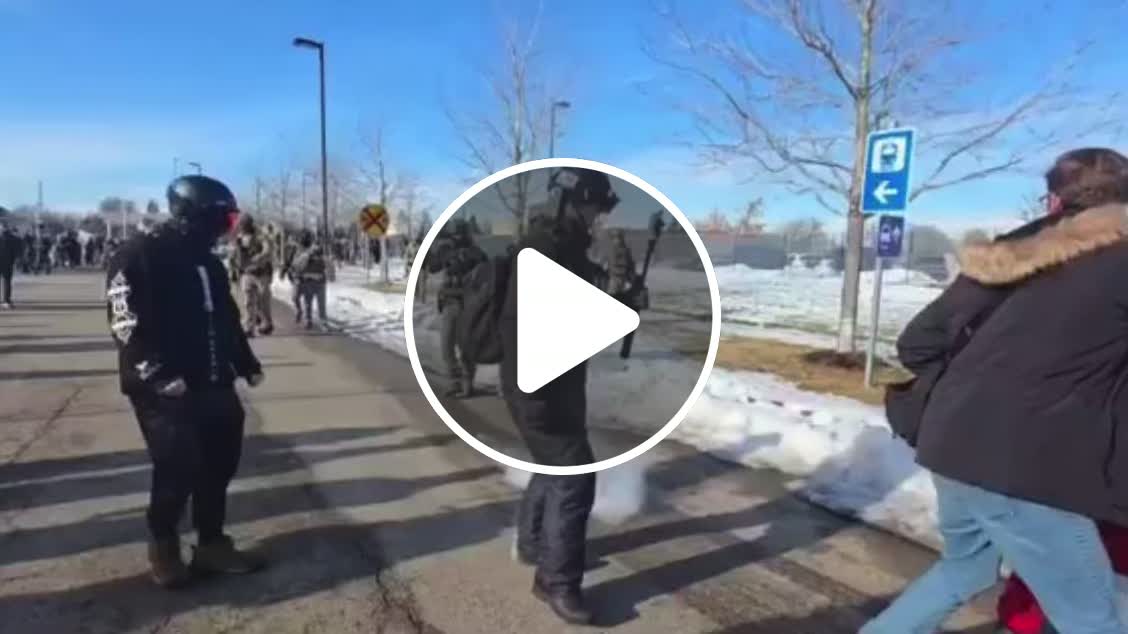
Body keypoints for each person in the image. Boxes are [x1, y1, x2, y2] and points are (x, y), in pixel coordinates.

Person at [862, 147, 1128, 634]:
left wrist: (979, 388)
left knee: (965, 570)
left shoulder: (1007, 255)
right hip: (1029, 465)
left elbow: (917, 343)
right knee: (1097, 617)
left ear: (1053, 202)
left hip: (951, 443)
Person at [105, 174, 266, 589]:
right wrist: (156, 372)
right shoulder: (140, 254)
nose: (228, 228)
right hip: (164, 388)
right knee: (177, 466)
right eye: (223, 219)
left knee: (219, 464)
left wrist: (244, 361)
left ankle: (211, 543)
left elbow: (226, 318)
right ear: (196, 215)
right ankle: (164, 544)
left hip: (214, 380)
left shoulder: (208, 263)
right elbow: (125, 321)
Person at [501, 167, 619, 625]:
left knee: (553, 467)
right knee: (575, 476)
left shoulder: (563, 248)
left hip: (555, 385)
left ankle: (535, 546)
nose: (599, 218)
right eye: (594, 207)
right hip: (540, 388)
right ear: (571, 203)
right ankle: (556, 581)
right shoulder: (544, 251)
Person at [427, 219, 487, 398]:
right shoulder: (447, 250)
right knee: (447, 345)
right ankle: (455, 381)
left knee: (466, 345)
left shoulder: (475, 253)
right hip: (450, 302)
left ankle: (467, 383)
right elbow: (432, 267)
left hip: (468, 303)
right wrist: (444, 254)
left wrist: (466, 258)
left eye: (459, 234)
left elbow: (484, 268)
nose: (457, 237)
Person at [230, 215, 275, 337]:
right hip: (246, 273)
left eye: (244, 224)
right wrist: (233, 269)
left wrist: (258, 258)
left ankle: (266, 324)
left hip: (261, 273)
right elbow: (234, 256)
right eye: (241, 224)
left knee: (262, 301)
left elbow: (268, 251)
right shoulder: (240, 238)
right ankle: (249, 327)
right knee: (248, 302)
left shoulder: (260, 237)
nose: (242, 227)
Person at [290, 230, 328, 329]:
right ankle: (306, 317)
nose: (305, 239)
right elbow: (295, 264)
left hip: (317, 280)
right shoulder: (299, 250)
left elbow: (324, 263)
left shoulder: (316, 249)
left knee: (318, 303)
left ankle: (320, 321)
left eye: (307, 237)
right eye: (304, 237)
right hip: (303, 279)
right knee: (299, 298)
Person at [0, 222, 23, 309]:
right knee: (7, 282)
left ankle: (6, 301)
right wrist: (17, 261)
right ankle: (6, 301)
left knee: (7, 282)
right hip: (8, 263)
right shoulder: (15, 239)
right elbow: (18, 252)